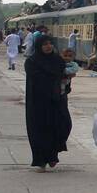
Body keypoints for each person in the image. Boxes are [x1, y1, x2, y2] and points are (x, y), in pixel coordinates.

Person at [24, 34, 72, 171]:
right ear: (39, 46)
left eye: (50, 43)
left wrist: (66, 82)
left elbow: (64, 79)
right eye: (45, 44)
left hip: (57, 101)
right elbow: (37, 80)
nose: (48, 46)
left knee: (63, 125)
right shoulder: (32, 62)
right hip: (38, 103)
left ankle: (53, 154)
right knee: (40, 131)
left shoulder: (58, 60)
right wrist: (56, 78)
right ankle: (41, 160)